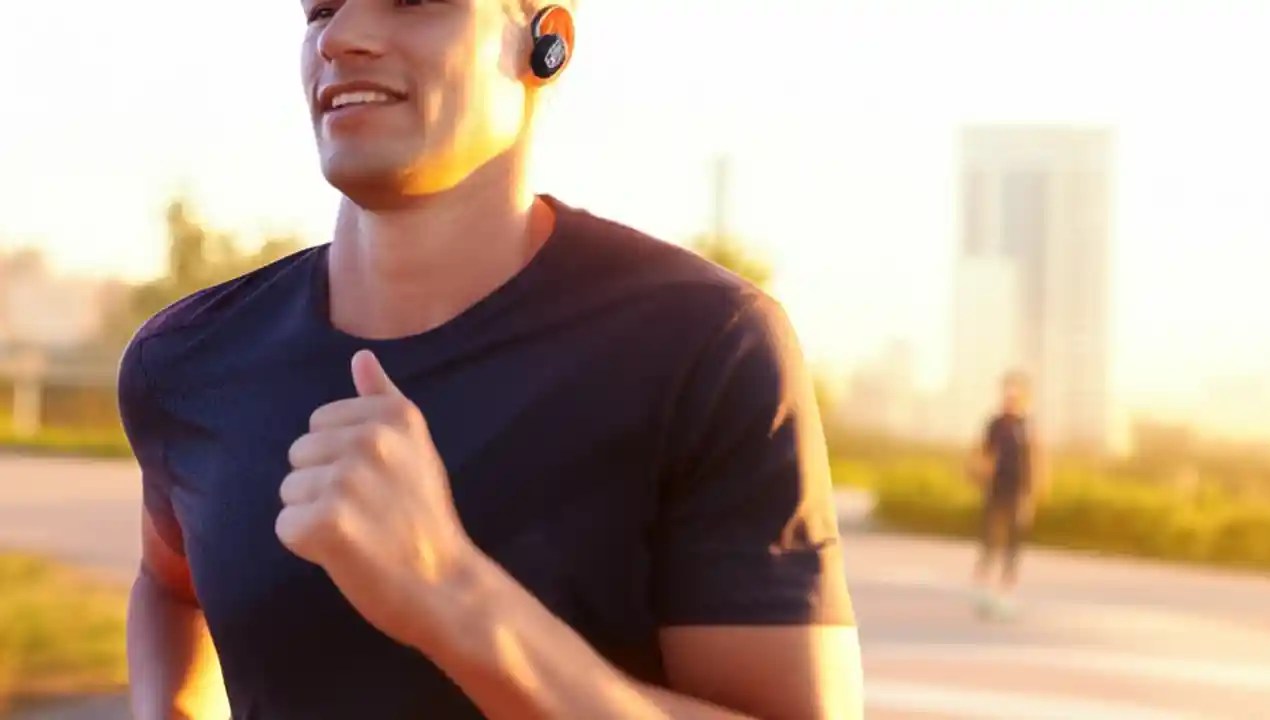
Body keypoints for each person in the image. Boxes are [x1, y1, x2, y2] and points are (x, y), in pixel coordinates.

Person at [116, 2, 863, 718]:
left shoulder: (706, 347)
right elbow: (171, 584)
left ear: (545, 42)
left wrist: (449, 593)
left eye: (413, 0)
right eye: (320, 10)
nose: (343, 36)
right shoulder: (189, 360)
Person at [968, 371, 1045, 618]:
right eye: (1008, 391)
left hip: (1018, 492)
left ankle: (1005, 594)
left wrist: (1031, 495)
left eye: (1016, 392)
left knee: (1014, 545)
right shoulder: (995, 423)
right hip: (995, 490)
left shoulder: (1028, 425)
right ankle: (981, 590)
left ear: (1024, 396)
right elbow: (984, 454)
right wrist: (979, 475)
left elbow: (1035, 459)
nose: (1011, 397)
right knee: (989, 541)